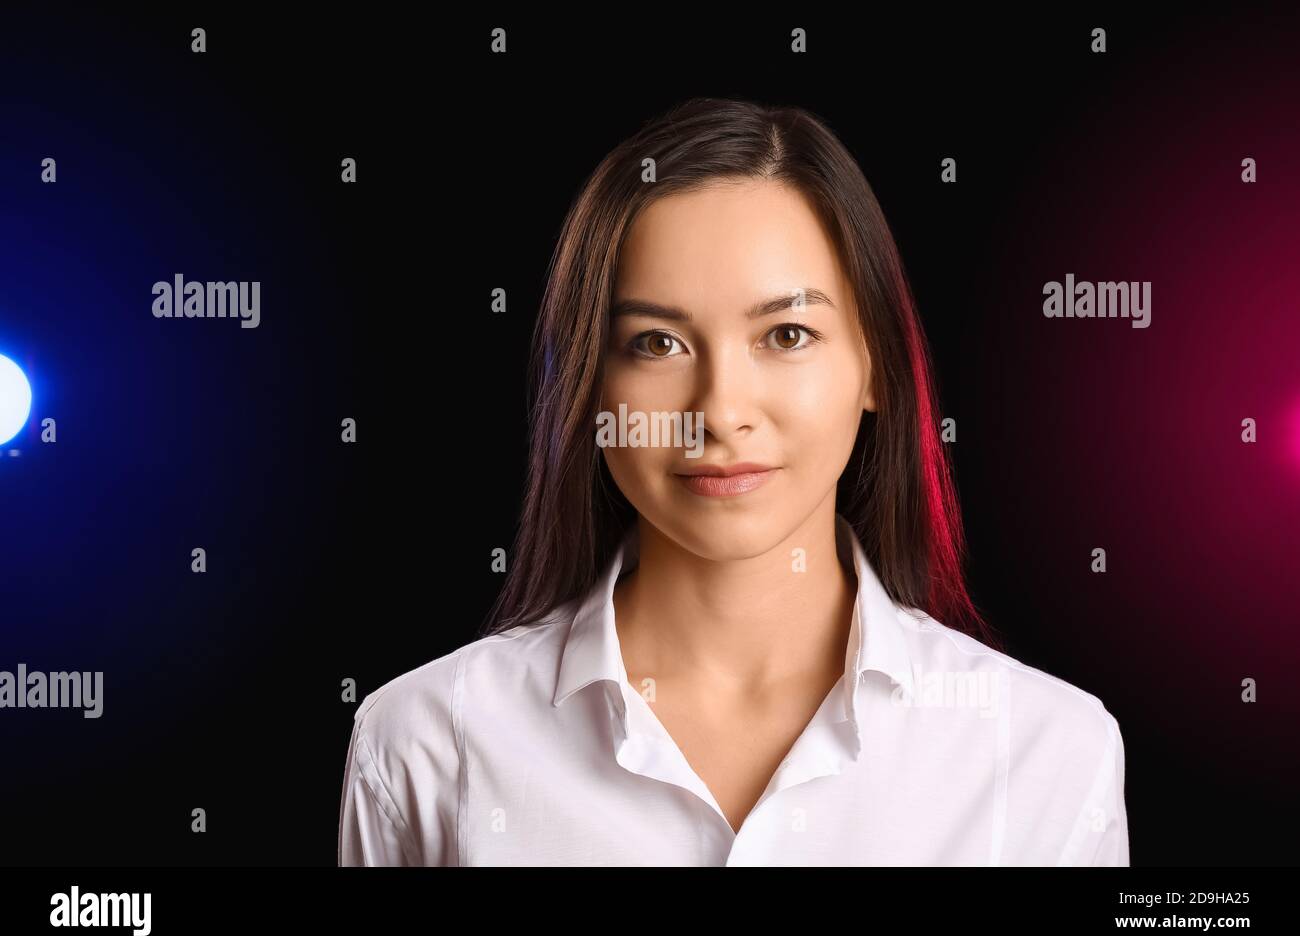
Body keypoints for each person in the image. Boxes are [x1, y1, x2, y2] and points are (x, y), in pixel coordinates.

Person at [338, 97, 1129, 866]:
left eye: (787, 334)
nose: (719, 412)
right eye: (656, 343)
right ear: (588, 382)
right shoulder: (423, 745)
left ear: (877, 369)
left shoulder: (1045, 754)